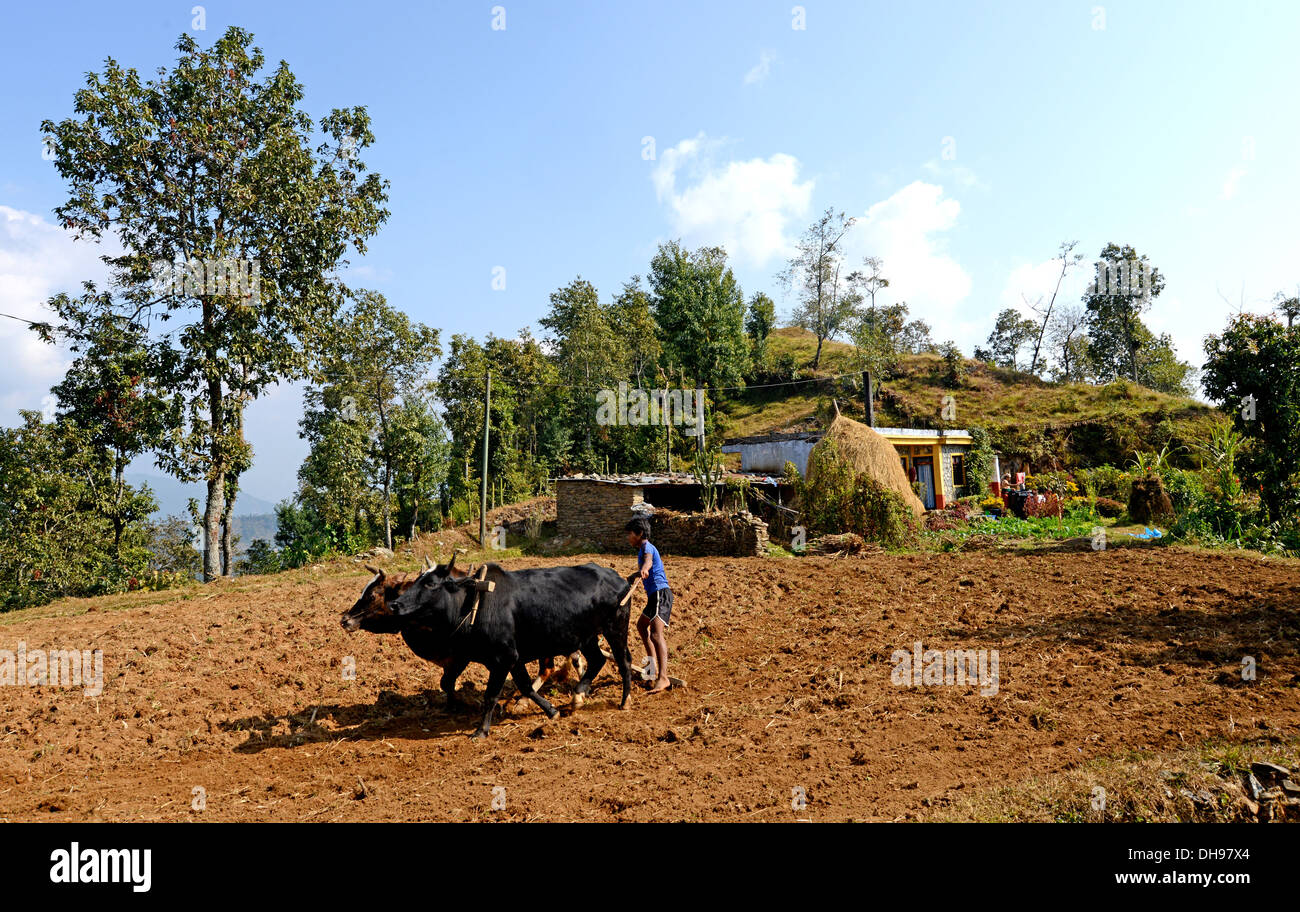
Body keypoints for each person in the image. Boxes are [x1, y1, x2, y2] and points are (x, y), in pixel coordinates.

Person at [625, 516, 673, 695]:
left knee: (655, 633)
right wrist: (635, 575)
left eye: (630, 534)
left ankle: (663, 677)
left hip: (661, 594)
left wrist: (644, 568)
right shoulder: (641, 549)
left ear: (639, 534)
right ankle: (650, 671)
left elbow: (649, 560)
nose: (628, 538)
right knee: (641, 626)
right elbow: (646, 566)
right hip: (654, 596)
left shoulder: (646, 547)